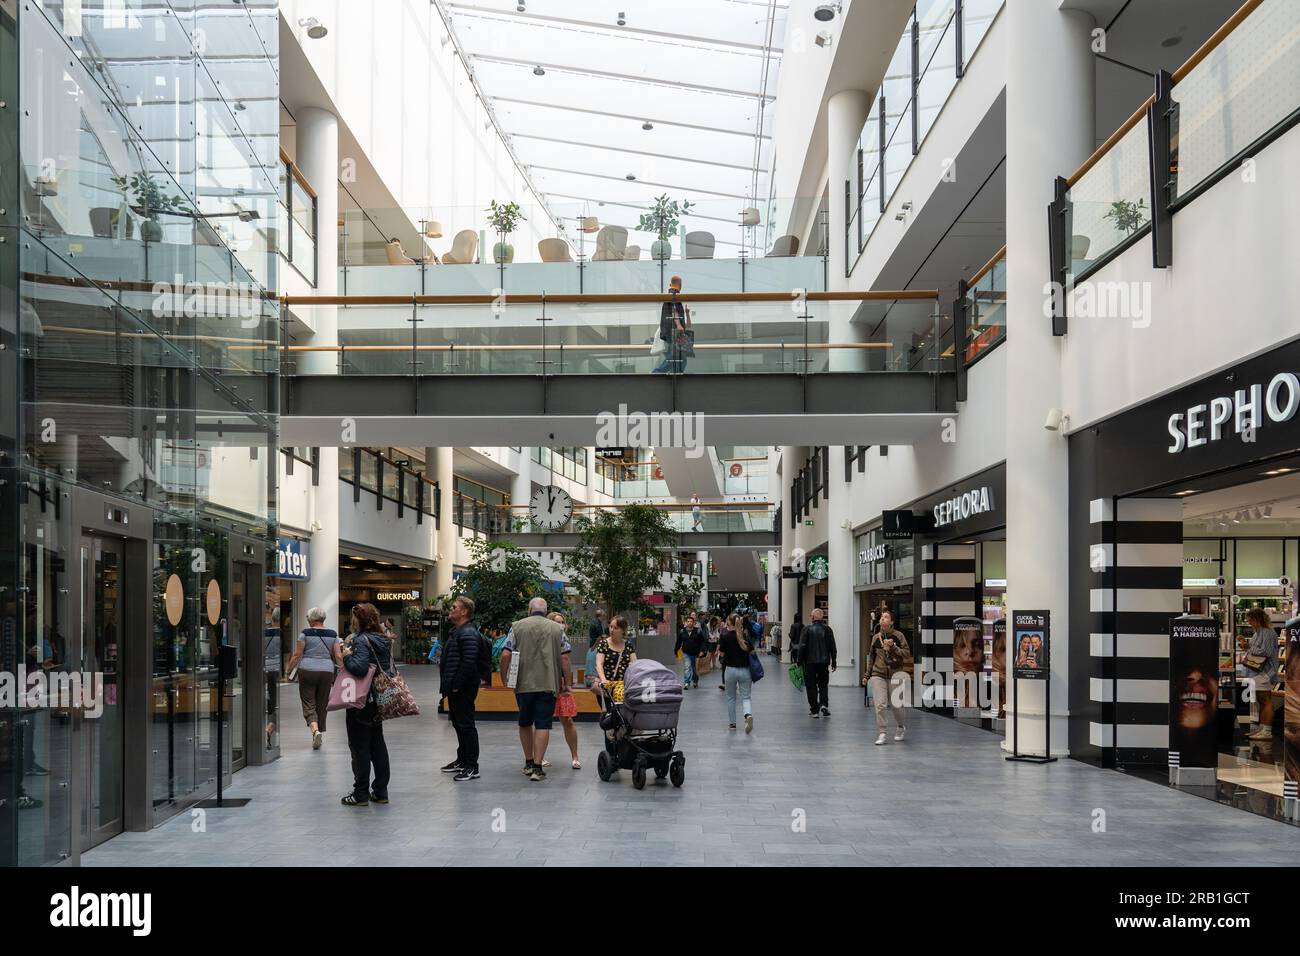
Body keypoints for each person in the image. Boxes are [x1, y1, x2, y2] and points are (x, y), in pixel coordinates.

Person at [500, 597, 567, 782]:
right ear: (546, 612)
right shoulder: (558, 628)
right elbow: (565, 658)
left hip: (523, 684)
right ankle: (538, 768)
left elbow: (505, 654)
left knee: (525, 722)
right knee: (543, 724)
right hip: (548, 683)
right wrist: (566, 683)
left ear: (529, 610)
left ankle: (528, 763)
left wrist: (504, 677)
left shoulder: (517, 627)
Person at [339, 603, 393, 806]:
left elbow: (360, 669)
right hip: (378, 698)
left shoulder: (361, 640)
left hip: (361, 700)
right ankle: (381, 791)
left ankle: (360, 793)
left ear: (358, 620)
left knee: (359, 746)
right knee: (377, 743)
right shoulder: (383, 639)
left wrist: (345, 657)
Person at [439, 595, 485, 781]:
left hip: (463, 687)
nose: (451, 609)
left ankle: (472, 766)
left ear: (465, 611)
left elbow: (468, 662)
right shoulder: (458, 632)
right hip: (455, 687)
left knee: (466, 724)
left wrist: (457, 685)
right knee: (458, 723)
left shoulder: (467, 633)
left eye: (455, 607)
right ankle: (463, 760)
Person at [283, 607, 339, 750]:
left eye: (308, 617)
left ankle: (315, 730)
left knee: (308, 701)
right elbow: (338, 656)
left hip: (307, 670)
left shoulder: (305, 633)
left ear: (313, 619)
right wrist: (344, 669)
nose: (307, 619)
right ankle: (319, 731)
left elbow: (297, 655)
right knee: (322, 703)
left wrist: (288, 670)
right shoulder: (333, 634)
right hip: (327, 671)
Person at [863, 609, 910, 745]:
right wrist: (867, 674)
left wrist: (894, 647)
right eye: (882, 617)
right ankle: (882, 732)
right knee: (880, 704)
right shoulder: (875, 638)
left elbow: (906, 653)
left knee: (897, 705)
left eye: (886, 617)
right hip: (878, 674)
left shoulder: (899, 636)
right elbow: (871, 657)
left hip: (895, 673)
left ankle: (900, 726)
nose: (882, 619)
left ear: (892, 621)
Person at [546, 612, 582, 770]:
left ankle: (575, 756)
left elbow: (566, 661)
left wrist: (568, 683)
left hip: (561, 684)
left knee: (567, 720)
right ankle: (538, 756)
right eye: (557, 622)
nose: (561, 625)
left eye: (562, 622)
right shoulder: (547, 638)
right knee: (542, 721)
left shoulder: (564, 639)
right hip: (548, 683)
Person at [1239, 607, 1280, 740]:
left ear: (1257, 619)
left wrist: (1250, 648)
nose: (1248, 622)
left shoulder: (1267, 632)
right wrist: (1246, 645)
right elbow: (1256, 648)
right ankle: (1262, 728)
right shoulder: (1258, 632)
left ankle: (1266, 730)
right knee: (1260, 700)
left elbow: (1266, 652)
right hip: (1257, 671)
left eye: (1250, 619)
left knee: (1265, 700)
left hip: (1264, 672)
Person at [799, 607, 837, 718]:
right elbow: (832, 647)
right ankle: (824, 704)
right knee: (823, 684)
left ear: (813, 617)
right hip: (824, 662)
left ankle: (814, 710)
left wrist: (799, 660)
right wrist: (833, 661)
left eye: (811, 616)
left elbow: (802, 646)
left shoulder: (807, 629)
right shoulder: (828, 630)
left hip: (810, 662)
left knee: (811, 686)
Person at [594, 614, 637, 712]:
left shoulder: (628, 645)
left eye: (616, 628)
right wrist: (604, 680)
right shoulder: (604, 644)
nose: (612, 630)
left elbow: (635, 663)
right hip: (607, 687)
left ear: (623, 630)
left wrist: (633, 666)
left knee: (623, 716)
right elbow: (599, 663)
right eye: (611, 627)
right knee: (610, 716)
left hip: (624, 687)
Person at [720, 613, 755, 733]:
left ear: (729, 622)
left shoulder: (724, 636)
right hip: (745, 671)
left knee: (731, 698)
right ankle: (747, 714)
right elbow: (752, 651)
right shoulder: (744, 636)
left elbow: (722, 654)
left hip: (730, 670)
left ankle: (732, 724)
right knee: (746, 697)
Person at [652, 274, 691, 374]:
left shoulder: (670, 293)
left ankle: (676, 373)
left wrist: (686, 314)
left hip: (668, 329)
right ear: (680, 284)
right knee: (676, 353)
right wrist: (678, 324)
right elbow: (674, 309)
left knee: (679, 353)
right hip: (672, 329)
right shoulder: (674, 293)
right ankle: (658, 372)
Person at [675, 612, 707, 689]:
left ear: (694, 623)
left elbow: (702, 641)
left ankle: (695, 681)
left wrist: (702, 651)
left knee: (694, 668)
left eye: (691, 621)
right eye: (688, 621)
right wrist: (676, 650)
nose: (689, 623)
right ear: (686, 623)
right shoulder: (682, 632)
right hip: (686, 652)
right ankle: (686, 682)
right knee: (687, 667)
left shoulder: (698, 631)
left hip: (696, 653)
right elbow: (679, 642)